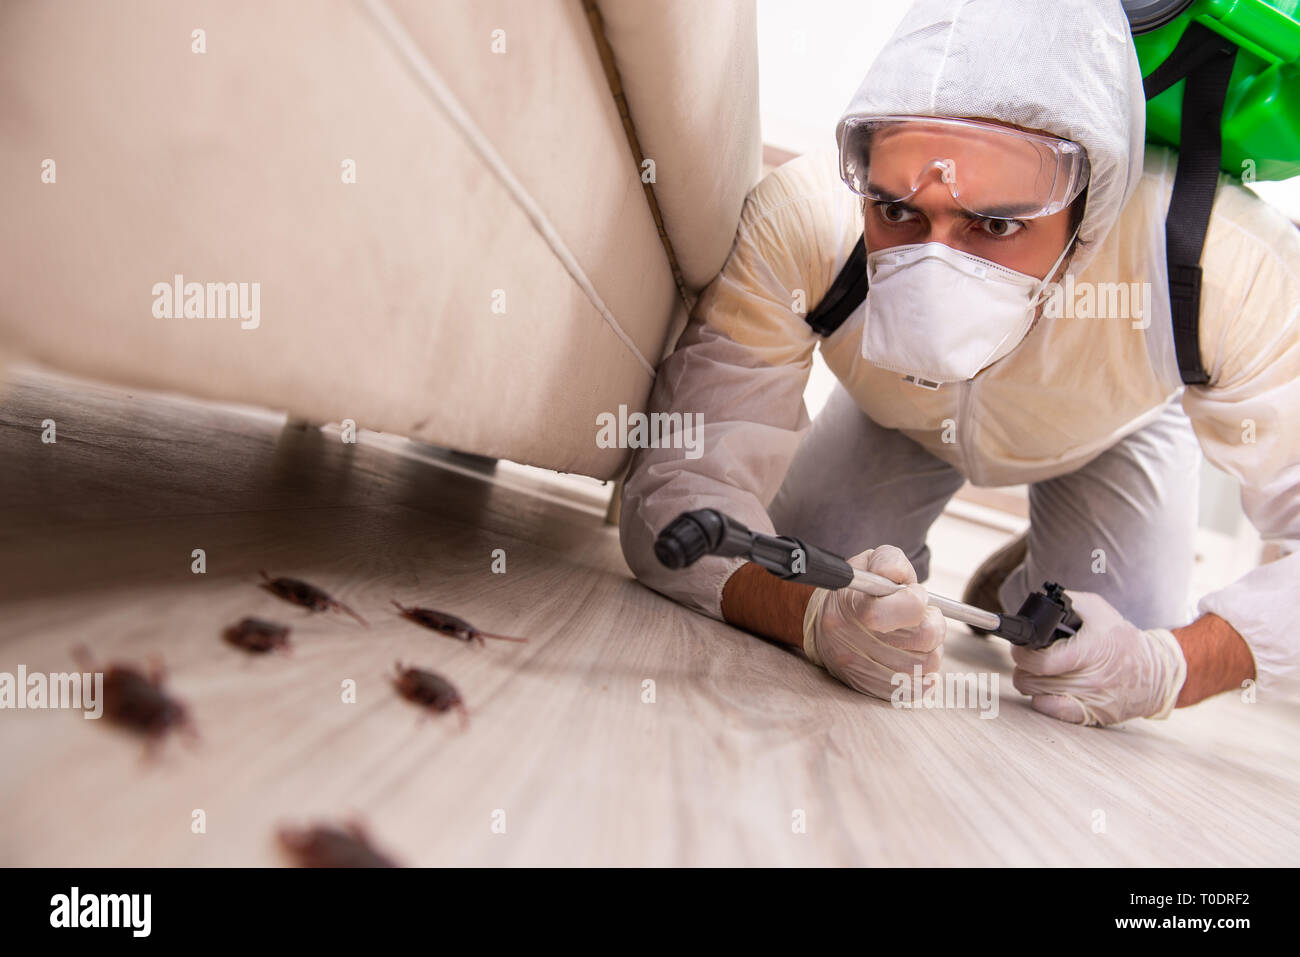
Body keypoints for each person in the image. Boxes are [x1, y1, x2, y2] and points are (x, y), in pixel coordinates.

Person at [618, 0, 1300, 727]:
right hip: (900, 418)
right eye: (898, 211)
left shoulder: (1222, 262)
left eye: (998, 223)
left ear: (1091, 212)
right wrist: (811, 618)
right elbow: (679, 487)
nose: (936, 273)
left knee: (1109, 641)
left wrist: (1172, 665)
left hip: (1109, 428)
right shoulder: (809, 217)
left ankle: (1025, 572)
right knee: (817, 559)